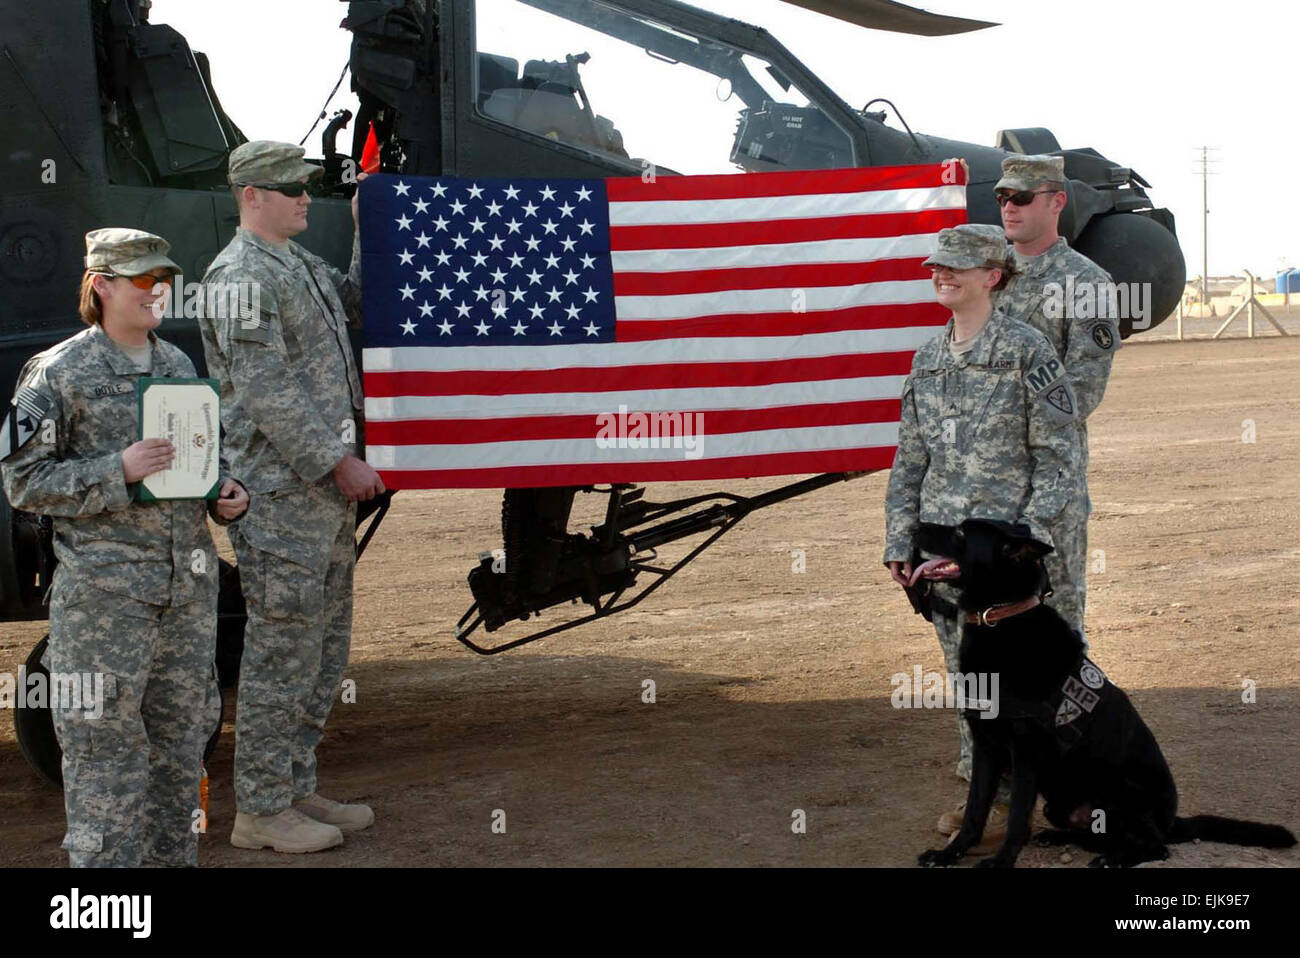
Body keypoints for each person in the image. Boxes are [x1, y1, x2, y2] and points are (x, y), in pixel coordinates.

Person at [1, 228, 249, 867]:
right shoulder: (58, 371)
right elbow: (21, 483)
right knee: (102, 752)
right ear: (101, 285)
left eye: (162, 278)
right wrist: (120, 469)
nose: (157, 290)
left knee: (183, 741)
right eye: (141, 279)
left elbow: (193, 467)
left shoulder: (176, 366)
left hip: (185, 596)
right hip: (105, 601)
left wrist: (220, 493)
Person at [200, 140, 384, 854]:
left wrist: (373, 226)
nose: (307, 196)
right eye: (291, 187)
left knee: (322, 644)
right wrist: (335, 459)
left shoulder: (298, 265)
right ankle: (260, 810)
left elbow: (363, 301)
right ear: (252, 194)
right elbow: (265, 390)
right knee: (282, 648)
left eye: (308, 186)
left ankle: (293, 783)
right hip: (281, 492)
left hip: (317, 494)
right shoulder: (240, 276)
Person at [882, 223, 1081, 843]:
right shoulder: (927, 358)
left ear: (992, 275)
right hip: (948, 554)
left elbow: (1060, 456)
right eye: (935, 268)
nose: (940, 275)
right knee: (970, 675)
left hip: (1011, 556)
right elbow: (910, 459)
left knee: (1045, 675)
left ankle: (1072, 790)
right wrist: (899, 540)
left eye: (954, 268)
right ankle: (988, 796)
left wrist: (1035, 538)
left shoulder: (1027, 351)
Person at [994, 154, 1119, 642]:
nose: (1009, 207)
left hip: (1049, 474)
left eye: (1022, 198)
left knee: (1057, 606)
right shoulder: (987, 275)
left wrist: (1006, 421)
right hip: (982, 479)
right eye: (1002, 197)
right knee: (988, 606)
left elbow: (1083, 385)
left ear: (1056, 202)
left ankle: (1068, 714)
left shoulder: (1085, 282)